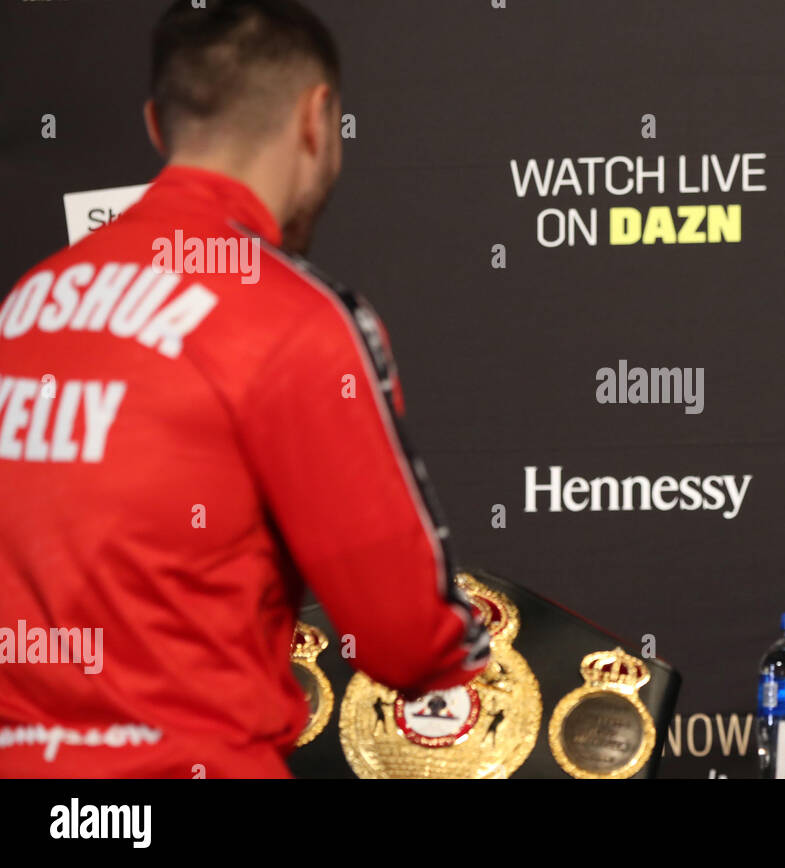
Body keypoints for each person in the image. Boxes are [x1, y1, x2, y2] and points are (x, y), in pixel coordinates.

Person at [0, 0, 489, 777]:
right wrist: (473, 640)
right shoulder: (292, 316)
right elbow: (406, 639)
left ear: (158, 129)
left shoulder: (24, 307)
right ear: (317, 119)